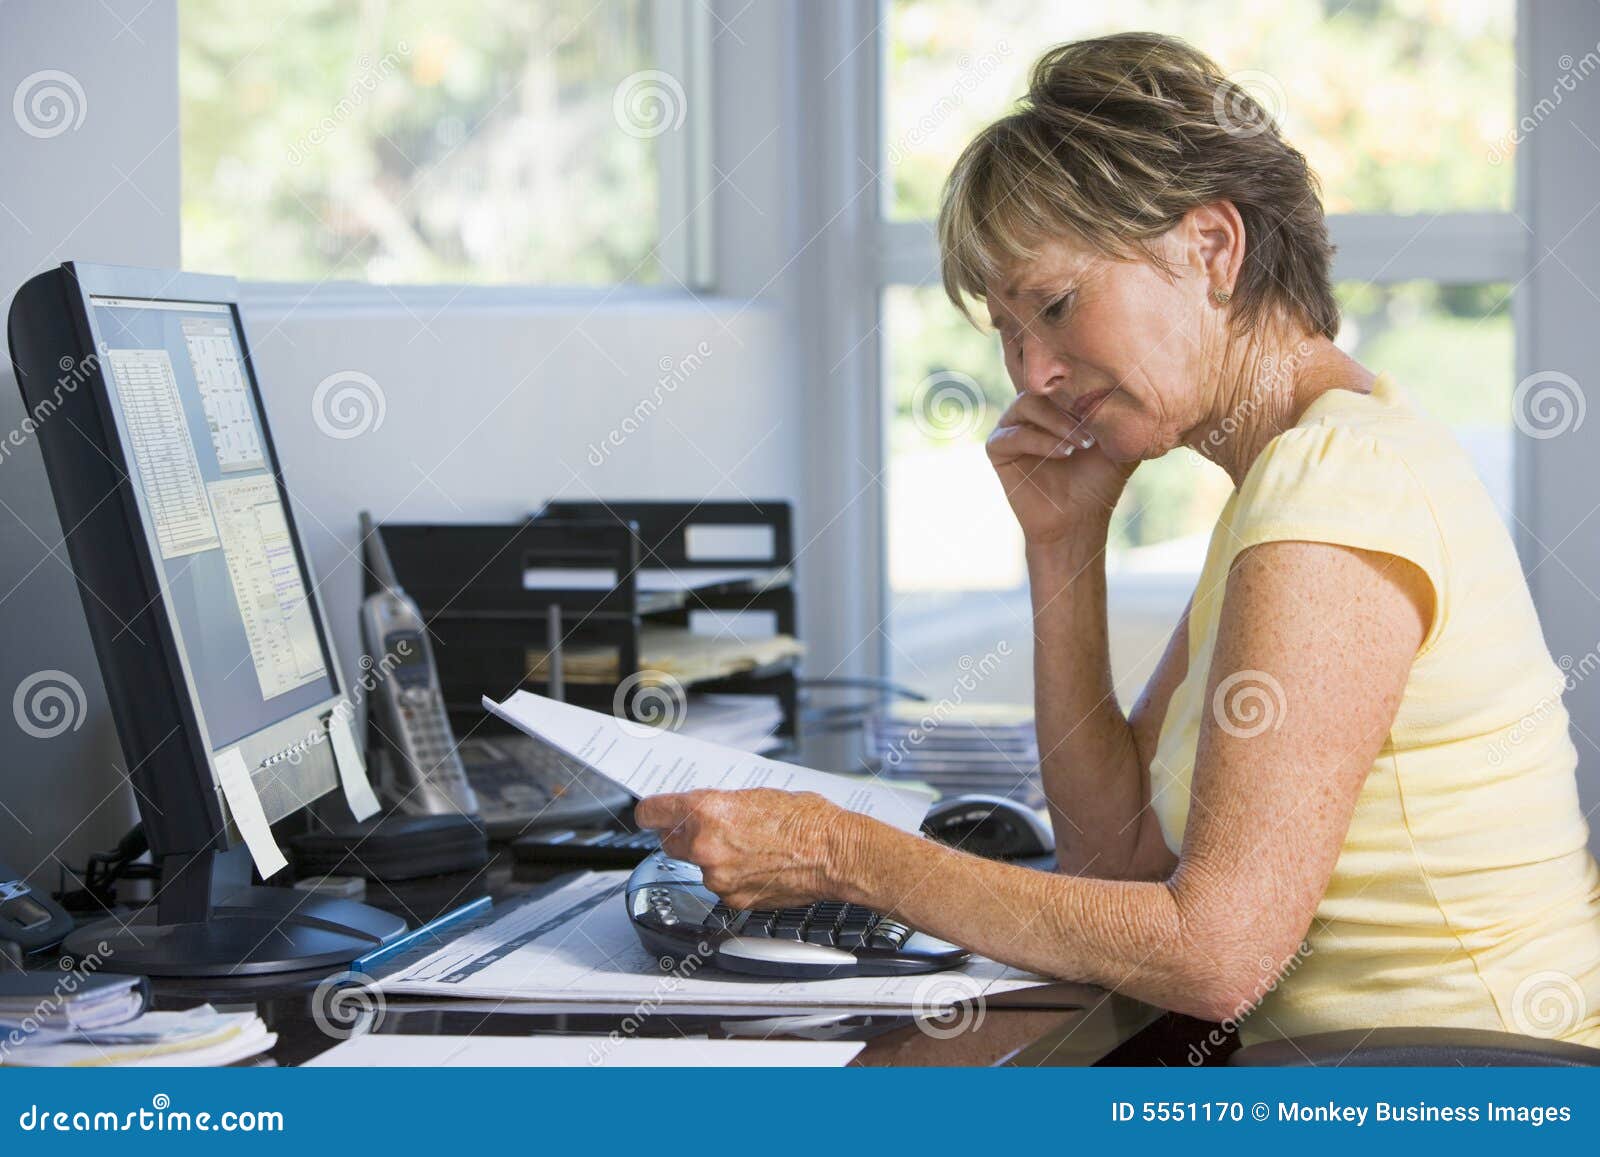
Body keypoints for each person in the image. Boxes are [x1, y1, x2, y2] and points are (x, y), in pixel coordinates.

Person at [637, 32, 1600, 1045]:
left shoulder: (1334, 487)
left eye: (1055, 306)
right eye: (1008, 333)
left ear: (1212, 249)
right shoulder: (1295, 474)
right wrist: (1063, 547)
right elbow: (1116, 858)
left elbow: (1216, 952)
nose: (1032, 373)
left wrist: (848, 854)